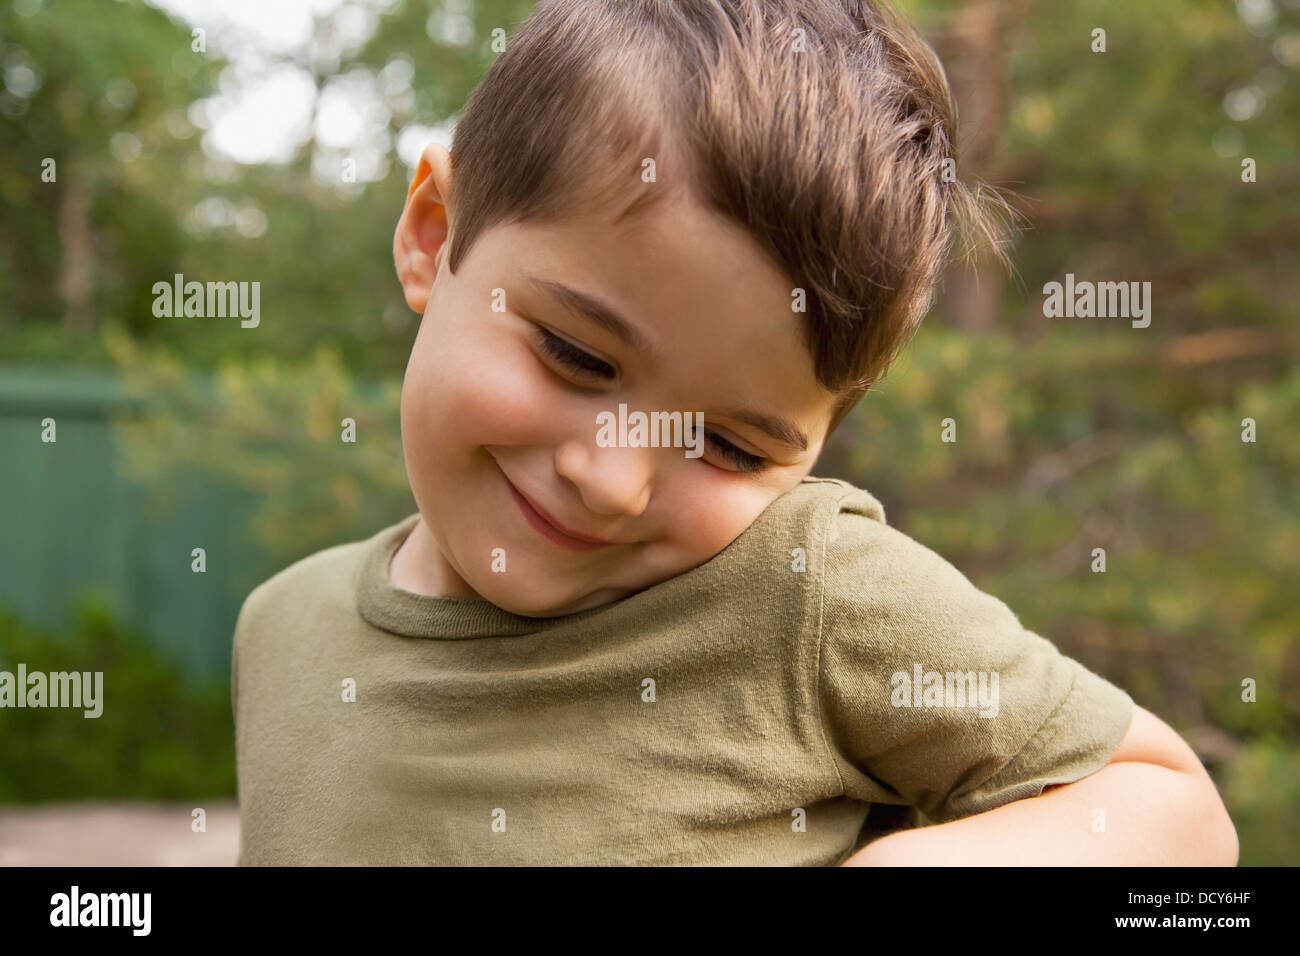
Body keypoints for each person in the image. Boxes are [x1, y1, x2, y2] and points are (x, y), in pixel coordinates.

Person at [232, 0, 1237, 865]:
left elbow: (1173, 812)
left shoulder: (809, 592)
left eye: (731, 446)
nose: (611, 480)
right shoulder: (281, 627)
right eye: (577, 356)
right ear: (435, 233)